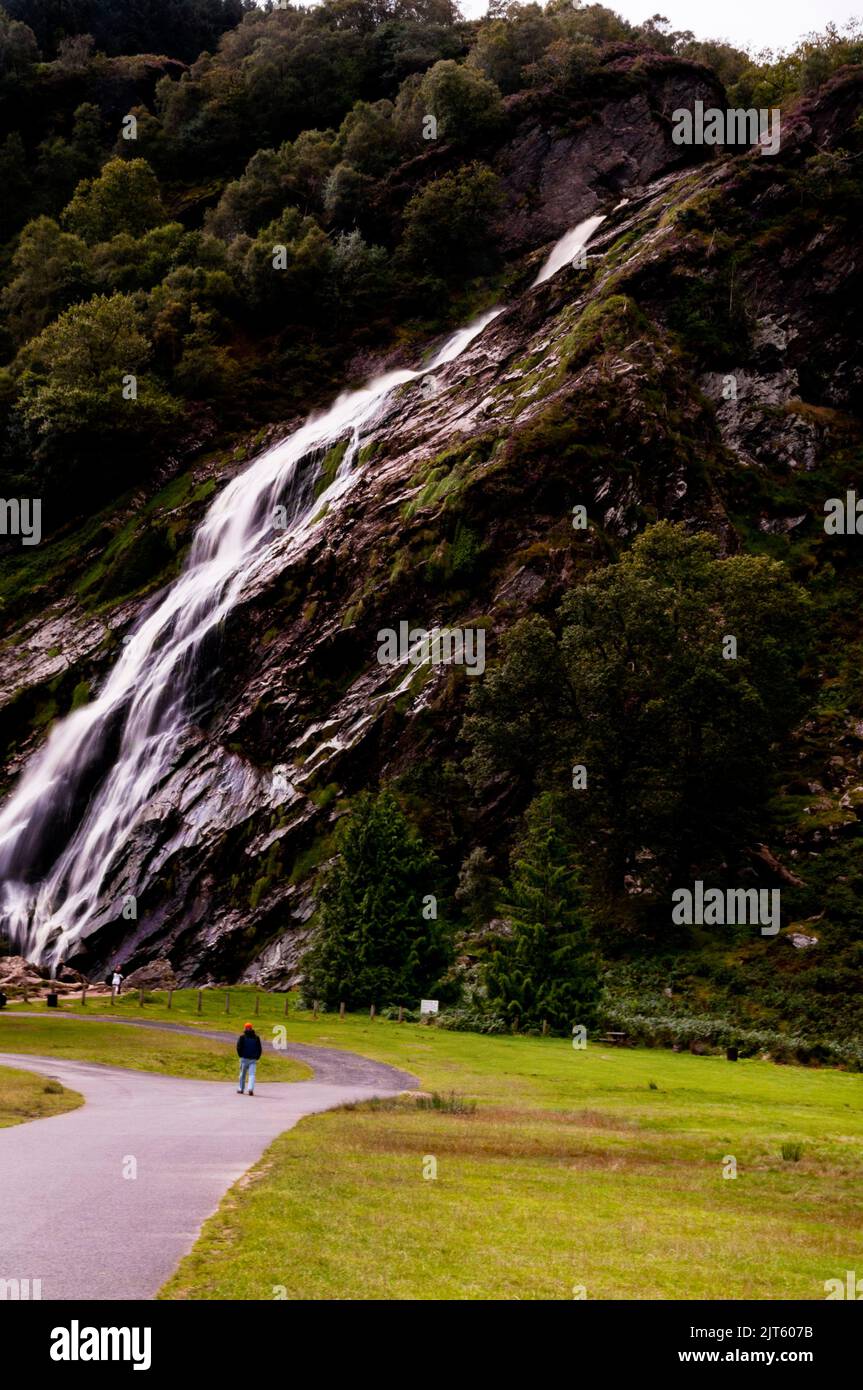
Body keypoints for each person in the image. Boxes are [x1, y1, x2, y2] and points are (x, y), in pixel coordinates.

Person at [236, 1022, 262, 1095]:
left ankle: (241, 1089)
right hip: (252, 1059)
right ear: (251, 1028)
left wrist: (240, 1055)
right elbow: (259, 1049)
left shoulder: (242, 1037)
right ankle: (250, 1089)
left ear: (245, 1028)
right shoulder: (256, 1037)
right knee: (252, 1074)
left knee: (242, 1075)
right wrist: (257, 1057)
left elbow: (238, 1047)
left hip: (244, 1059)